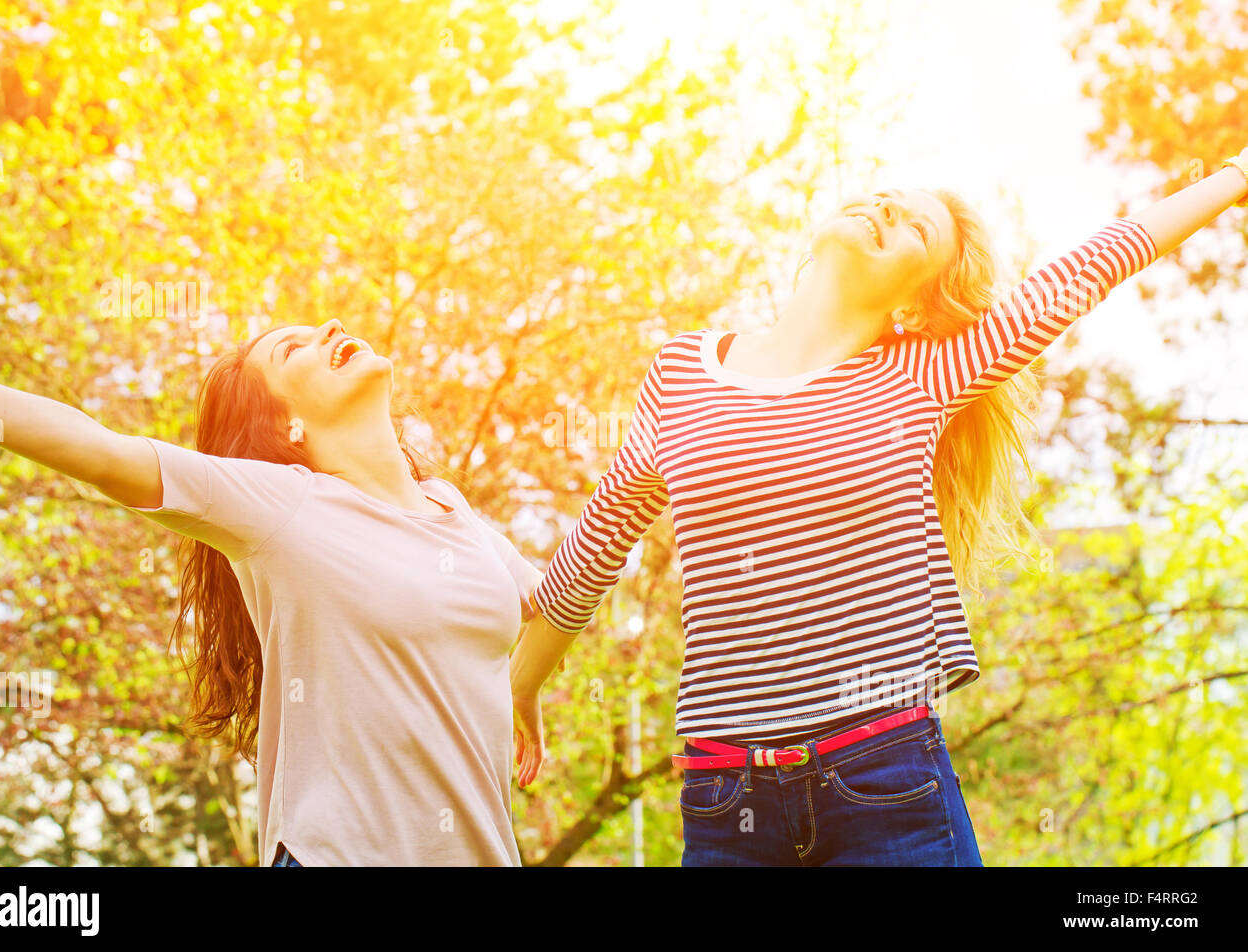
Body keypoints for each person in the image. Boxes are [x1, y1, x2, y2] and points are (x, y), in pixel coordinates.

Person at [509, 149, 1248, 866]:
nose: (888, 208)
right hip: (726, 804)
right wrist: (522, 682)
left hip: (886, 788)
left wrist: (1235, 176)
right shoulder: (681, 373)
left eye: (916, 229)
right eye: (886, 197)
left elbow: (1100, 260)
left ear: (916, 307)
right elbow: (595, 546)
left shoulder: (925, 370)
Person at [0, 318, 544, 866]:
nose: (331, 327)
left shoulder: (453, 510)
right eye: (293, 349)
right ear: (287, 424)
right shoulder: (280, 503)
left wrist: (527, 681)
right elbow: (101, 451)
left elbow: (559, 601)